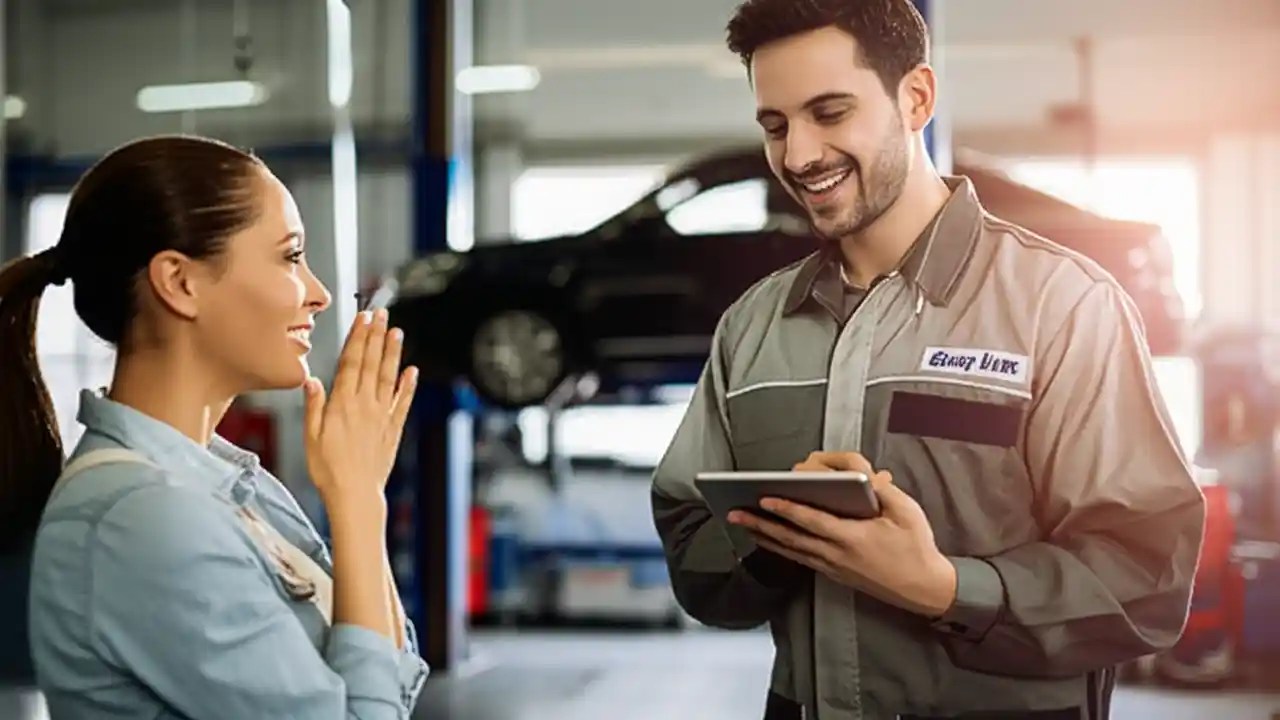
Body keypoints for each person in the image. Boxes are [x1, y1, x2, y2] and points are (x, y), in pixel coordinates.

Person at [650, 1, 1206, 718]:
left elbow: (1146, 581)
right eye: (776, 125)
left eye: (830, 112)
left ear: (916, 98)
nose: (798, 156)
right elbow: (694, 558)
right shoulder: (752, 329)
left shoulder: (1063, 309)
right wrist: (783, 533)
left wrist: (945, 587)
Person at [0, 135, 428, 719]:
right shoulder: (137, 518)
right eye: (290, 257)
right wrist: (356, 503)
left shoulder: (233, 486)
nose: (320, 295)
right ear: (180, 282)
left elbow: (393, 679)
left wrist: (362, 497)